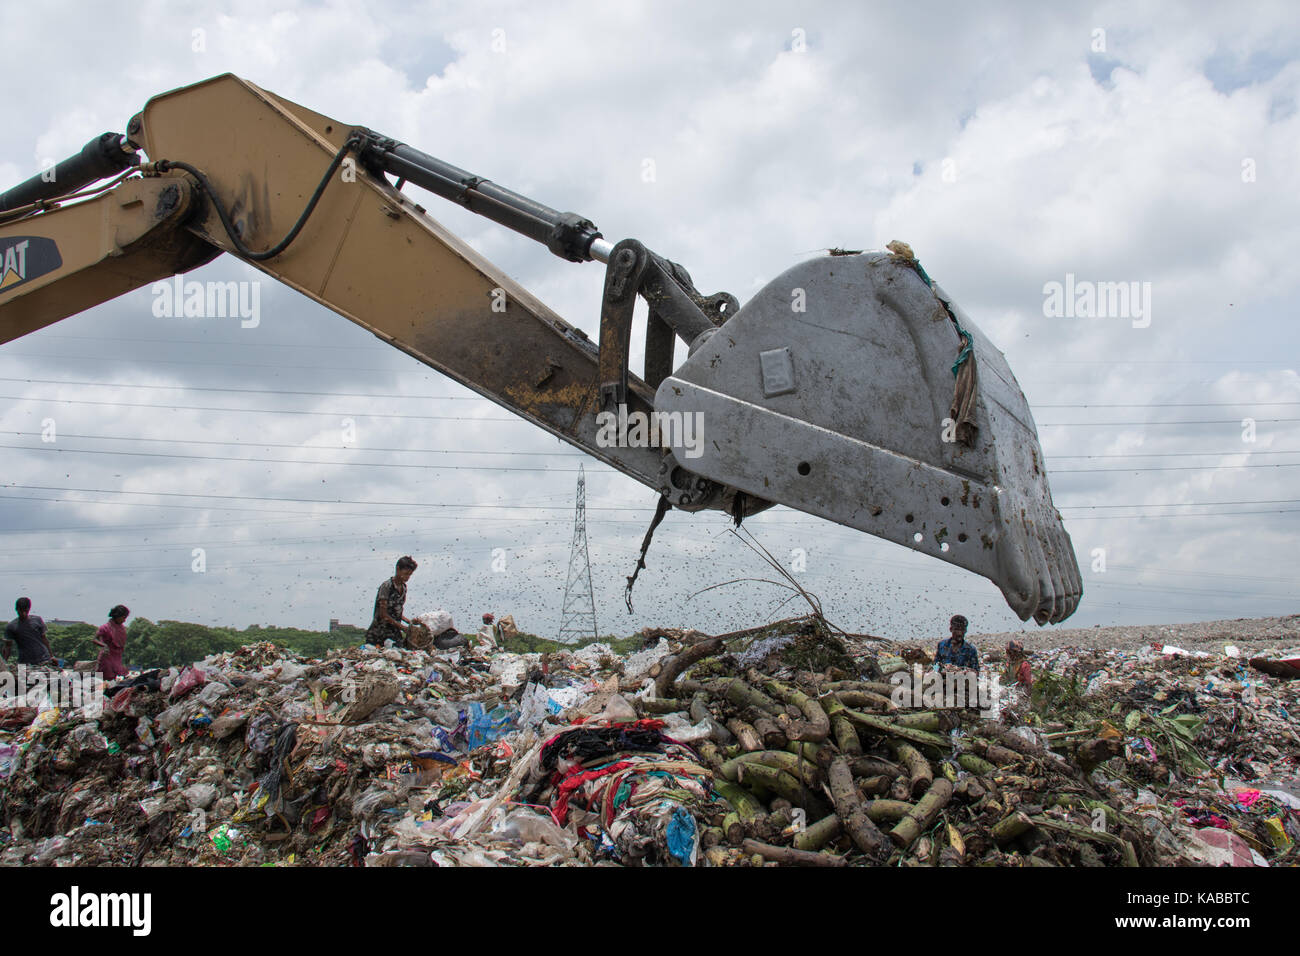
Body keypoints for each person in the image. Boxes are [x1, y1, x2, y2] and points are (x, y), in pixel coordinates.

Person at [365, 556, 417, 647]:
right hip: (379, 634)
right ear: (398, 569)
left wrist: (409, 622)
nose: (407, 577)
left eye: (410, 575)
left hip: (394, 633)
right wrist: (402, 627)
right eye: (406, 573)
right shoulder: (387, 586)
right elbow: (383, 614)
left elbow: (396, 612)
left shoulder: (403, 588)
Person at [4, 597, 52, 666]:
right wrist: (4, 663)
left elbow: (44, 639)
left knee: (49, 672)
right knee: (21, 673)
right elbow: (8, 647)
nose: (23, 613)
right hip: (23, 662)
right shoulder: (11, 626)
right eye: (21, 611)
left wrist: (51, 656)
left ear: (29, 609)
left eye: (26, 611)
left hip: (43, 659)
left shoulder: (37, 620)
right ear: (16, 609)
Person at [94, 605, 130, 680]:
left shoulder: (122, 628)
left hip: (117, 658)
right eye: (123, 618)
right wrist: (104, 645)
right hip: (107, 657)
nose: (124, 620)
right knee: (105, 679)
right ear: (117, 616)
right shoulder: (105, 627)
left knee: (118, 679)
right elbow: (94, 639)